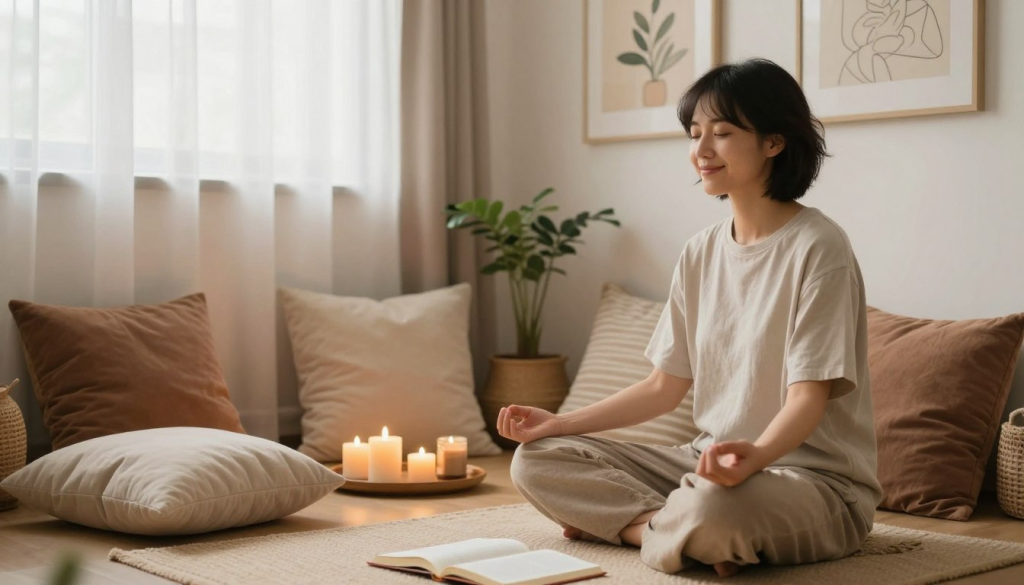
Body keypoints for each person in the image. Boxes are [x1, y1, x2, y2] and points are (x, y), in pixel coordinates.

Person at [499, 58, 881, 578]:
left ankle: (654, 526)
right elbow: (662, 387)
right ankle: (663, 530)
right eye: (695, 133)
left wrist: (757, 454)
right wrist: (559, 424)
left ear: (774, 141)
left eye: (721, 134)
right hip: (703, 466)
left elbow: (808, 398)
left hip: (812, 483)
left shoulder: (819, 248)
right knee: (537, 459)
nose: (700, 151)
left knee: (713, 508)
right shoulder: (700, 252)